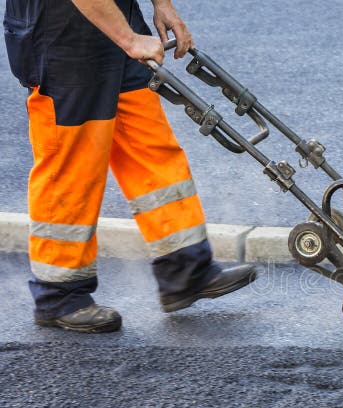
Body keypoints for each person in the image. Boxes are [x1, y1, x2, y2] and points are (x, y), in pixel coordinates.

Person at [3, 0, 256, 333]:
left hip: (113, 17)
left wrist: (161, 4)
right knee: (72, 165)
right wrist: (131, 40)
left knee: (149, 145)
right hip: (61, 32)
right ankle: (59, 295)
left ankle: (186, 268)